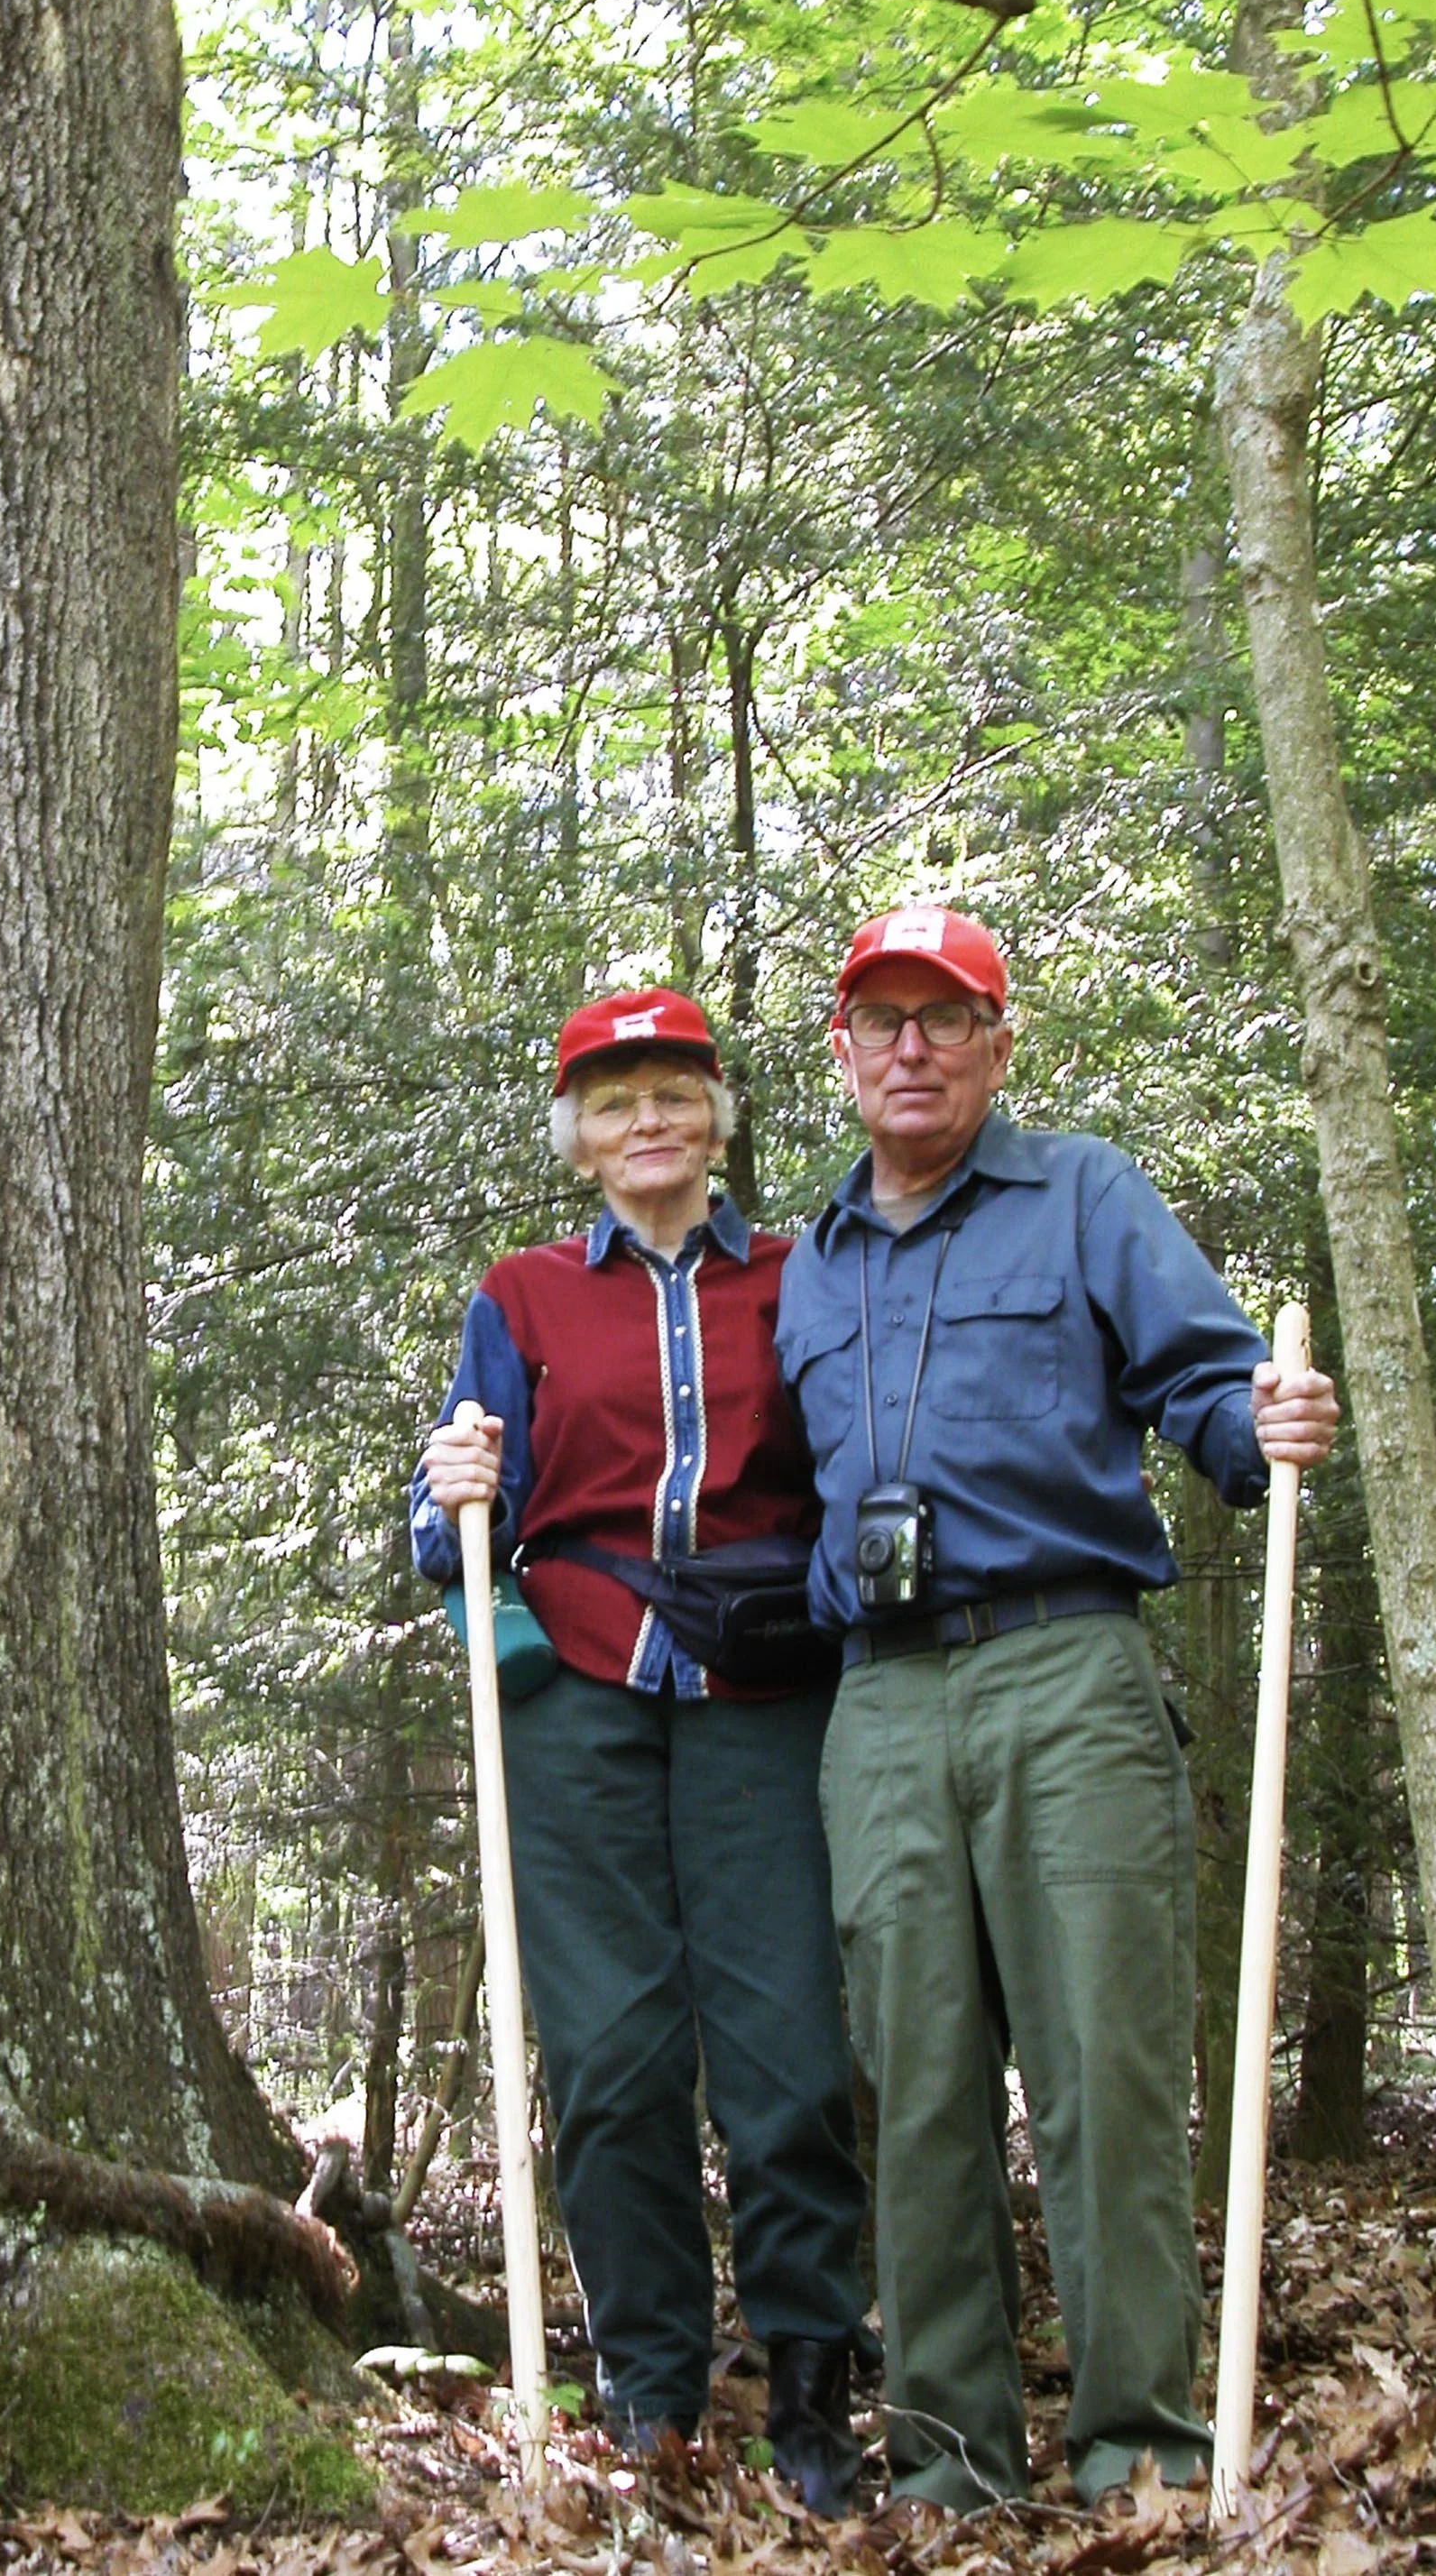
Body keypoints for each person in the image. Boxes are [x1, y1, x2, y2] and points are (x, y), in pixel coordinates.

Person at [775, 905, 1339, 2515]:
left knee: (1104, 2072)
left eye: (944, 1019)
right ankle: (950, 2462)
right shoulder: (803, 1267)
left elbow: (1208, 1381)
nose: (911, 1047)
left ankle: (1137, 2455)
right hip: (875, 1706)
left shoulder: (1083, 1193)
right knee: (920, 2083)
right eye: (880, 1020)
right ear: (840, 1054)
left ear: (998, 1044)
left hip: (1063, 1671)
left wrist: (1262, 1417)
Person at [412, 987, 870, 2509]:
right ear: (577, 1139)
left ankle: (811, 2386)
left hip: (764, 1695)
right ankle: (652, 2389)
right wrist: (447, 1486)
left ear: (719, 1112)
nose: (646, 1122)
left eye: (674, 1091)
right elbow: (453, 1519)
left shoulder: (803, 1278)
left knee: (791, 2061)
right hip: (583, 1697)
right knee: (611, 2061)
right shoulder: (523, 1299)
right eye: (614, 1103)